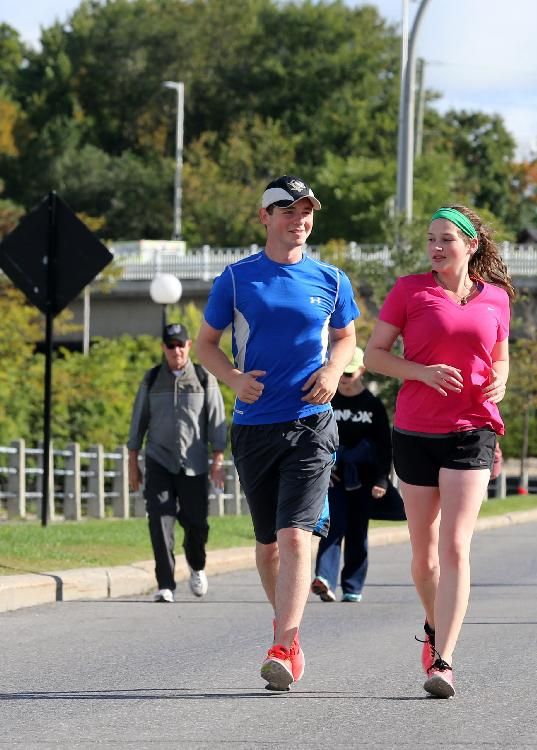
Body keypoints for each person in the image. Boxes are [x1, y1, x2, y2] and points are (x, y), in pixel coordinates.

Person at [195, 175, 360, 691]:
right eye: (287, 210)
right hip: (254, 427)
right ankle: (285, 626)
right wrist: (234, 379)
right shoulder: (238, 279)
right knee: (268, 546)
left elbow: (346, 336)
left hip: (311, 424)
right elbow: (206, 345)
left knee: (294, 536)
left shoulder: (331, 280)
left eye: (306, 210)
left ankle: (284, 646)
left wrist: (334, 372)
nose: (299, 219)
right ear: (265, 218)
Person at [364, 204, 513, 699]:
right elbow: (375, 356)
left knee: (455, 546)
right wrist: (421, 372)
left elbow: (501, 355)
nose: (435, 247)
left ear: (471, 245)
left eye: (446, 238)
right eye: (431, 239)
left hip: (472, 429)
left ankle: (444, 660)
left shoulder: (496, 299)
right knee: (424, 556)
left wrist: (502, 378)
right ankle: (433, 626)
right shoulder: (410, 290)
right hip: (415, 431)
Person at [127, 322, 227, 603]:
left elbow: (217, 421)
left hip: (194, 464)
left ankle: (197, 565)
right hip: (158, 460)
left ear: (189, 346)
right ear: (164, 348)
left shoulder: (204, 379)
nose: (176, 350)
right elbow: (138, 422)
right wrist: (132, 461)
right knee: (159, 520)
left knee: (196, 524)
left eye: (180, 344)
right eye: (170, 346)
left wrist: (218, 459)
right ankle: (165, 583)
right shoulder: (152, 378)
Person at [311, 346, 392, 604]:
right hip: (333, 477)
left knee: (357, 531)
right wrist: (321, 471)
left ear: (361, 371)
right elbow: (313, 437)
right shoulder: (328, 399)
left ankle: (352, 586)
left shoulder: (373, 405)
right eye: (341, 374)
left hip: (365, 481)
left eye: (349, 373)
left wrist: (382, 479)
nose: (344, 379)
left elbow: (384, 445)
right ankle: (324, 578)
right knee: (332, 527)